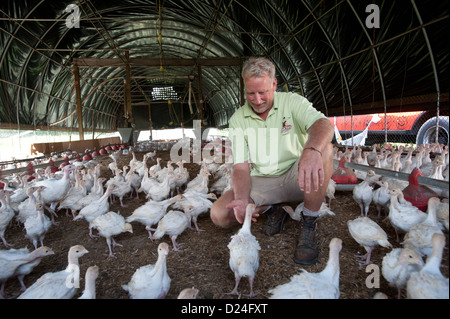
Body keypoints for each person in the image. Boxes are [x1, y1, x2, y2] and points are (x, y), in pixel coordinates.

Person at [210, 56, 334, 265]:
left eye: (262, 93)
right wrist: (241, 197)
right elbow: (241, 167)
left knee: (326, 149)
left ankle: (309, 222)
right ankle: (273, 208)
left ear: (274, 84)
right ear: (244, 89)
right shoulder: (238, 119)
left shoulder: (292, 102)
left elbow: (324, 125)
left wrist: (312, 150)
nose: (257, 100)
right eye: (251, 93)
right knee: (219, 214)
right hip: (262, 181)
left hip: (298, 177)